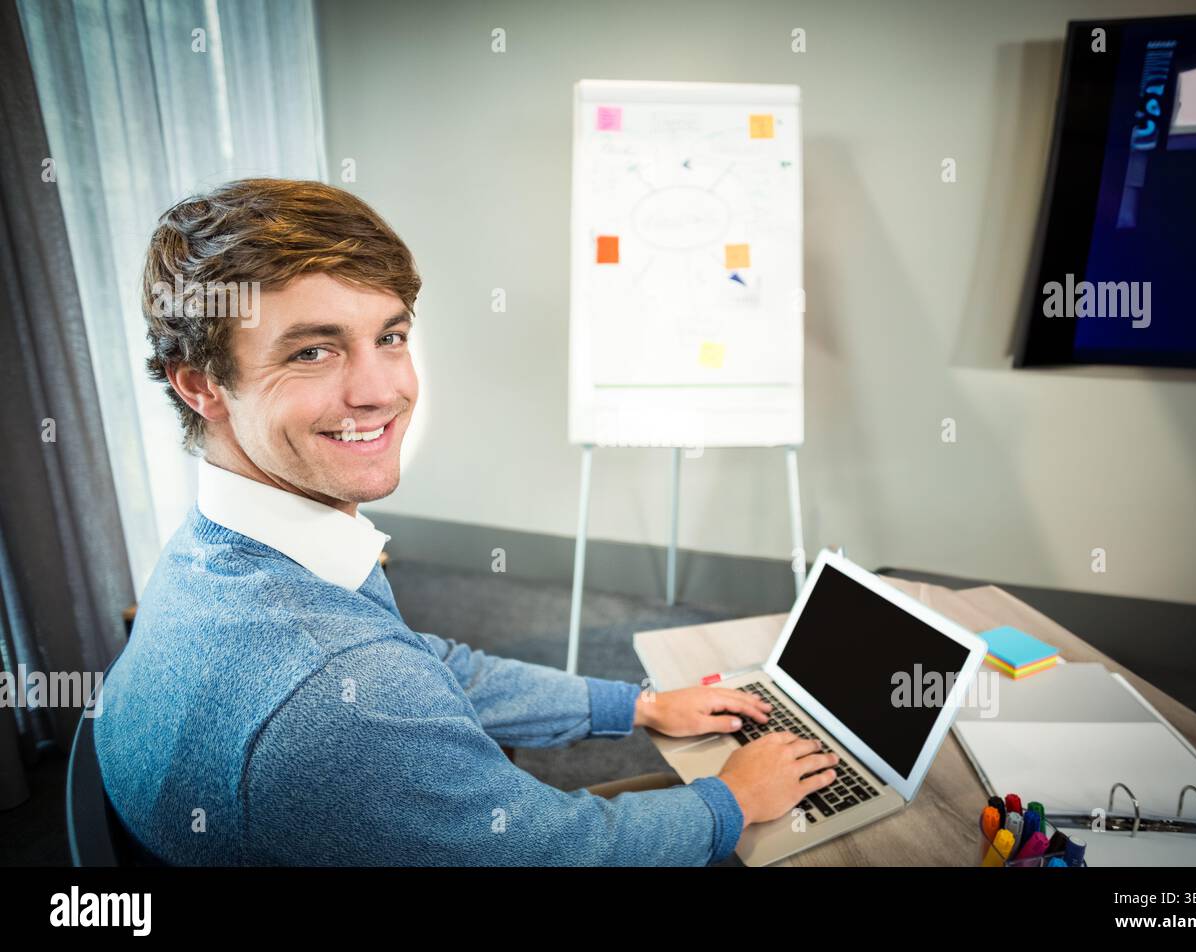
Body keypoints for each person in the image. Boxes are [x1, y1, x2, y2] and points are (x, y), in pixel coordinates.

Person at [95, 178, 840, 865]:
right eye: (313, 351)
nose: (382, 390)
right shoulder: (335, 690)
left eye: (389, 336)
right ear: (202, 386)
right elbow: (553, 853)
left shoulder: (210, 552)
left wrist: (637, 706)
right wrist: (731, 802)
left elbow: (419, 667)